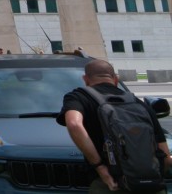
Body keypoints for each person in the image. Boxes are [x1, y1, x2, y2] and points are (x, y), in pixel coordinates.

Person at [59, 59, 172, 192]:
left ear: (86, 79)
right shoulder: (138, 104)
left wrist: (100, 167)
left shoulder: (79, 97)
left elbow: (74, 124)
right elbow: (165, 156)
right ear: (115, 79)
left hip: (109, 184)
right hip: (151, 184)